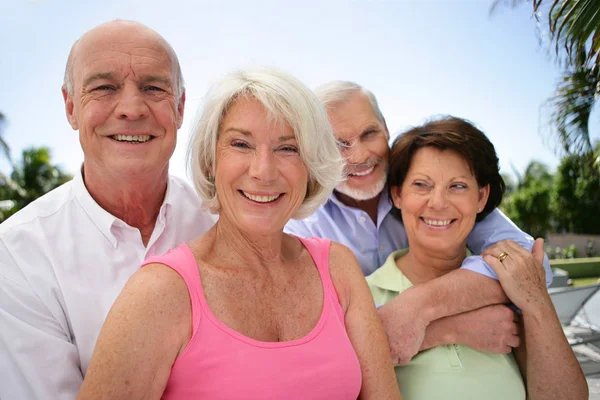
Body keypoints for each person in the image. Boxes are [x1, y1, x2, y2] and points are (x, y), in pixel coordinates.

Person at [76, 67, 401, 399]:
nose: (263, 171)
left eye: (287, 148)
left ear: (311, 165)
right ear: (212, 160)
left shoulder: (337, 267)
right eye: (241, 144)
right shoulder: (159, 292)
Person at [0, 21, 216, 399]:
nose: (132, 108)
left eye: (153, 87)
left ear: (180, 108)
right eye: (104, 88)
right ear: (70, 107)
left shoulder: (223, 223)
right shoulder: (16, 258)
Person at [285, 81, 554, 363]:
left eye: (369, 133)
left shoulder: (431, 189)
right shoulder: (300, 223)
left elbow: (531, 263)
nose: (360, 155)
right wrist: (446, 329)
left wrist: (421, 303)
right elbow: (314, 329)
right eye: (339, 143)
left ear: (386, 128)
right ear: (318, 149)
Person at [367, 116, 587, 399]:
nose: (438, 202)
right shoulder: (359, 293)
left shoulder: (510, 287)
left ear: (481, 198)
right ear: (397, 195)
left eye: (457, 186)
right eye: (421, 185)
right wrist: (443, 330)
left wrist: (535, 301)